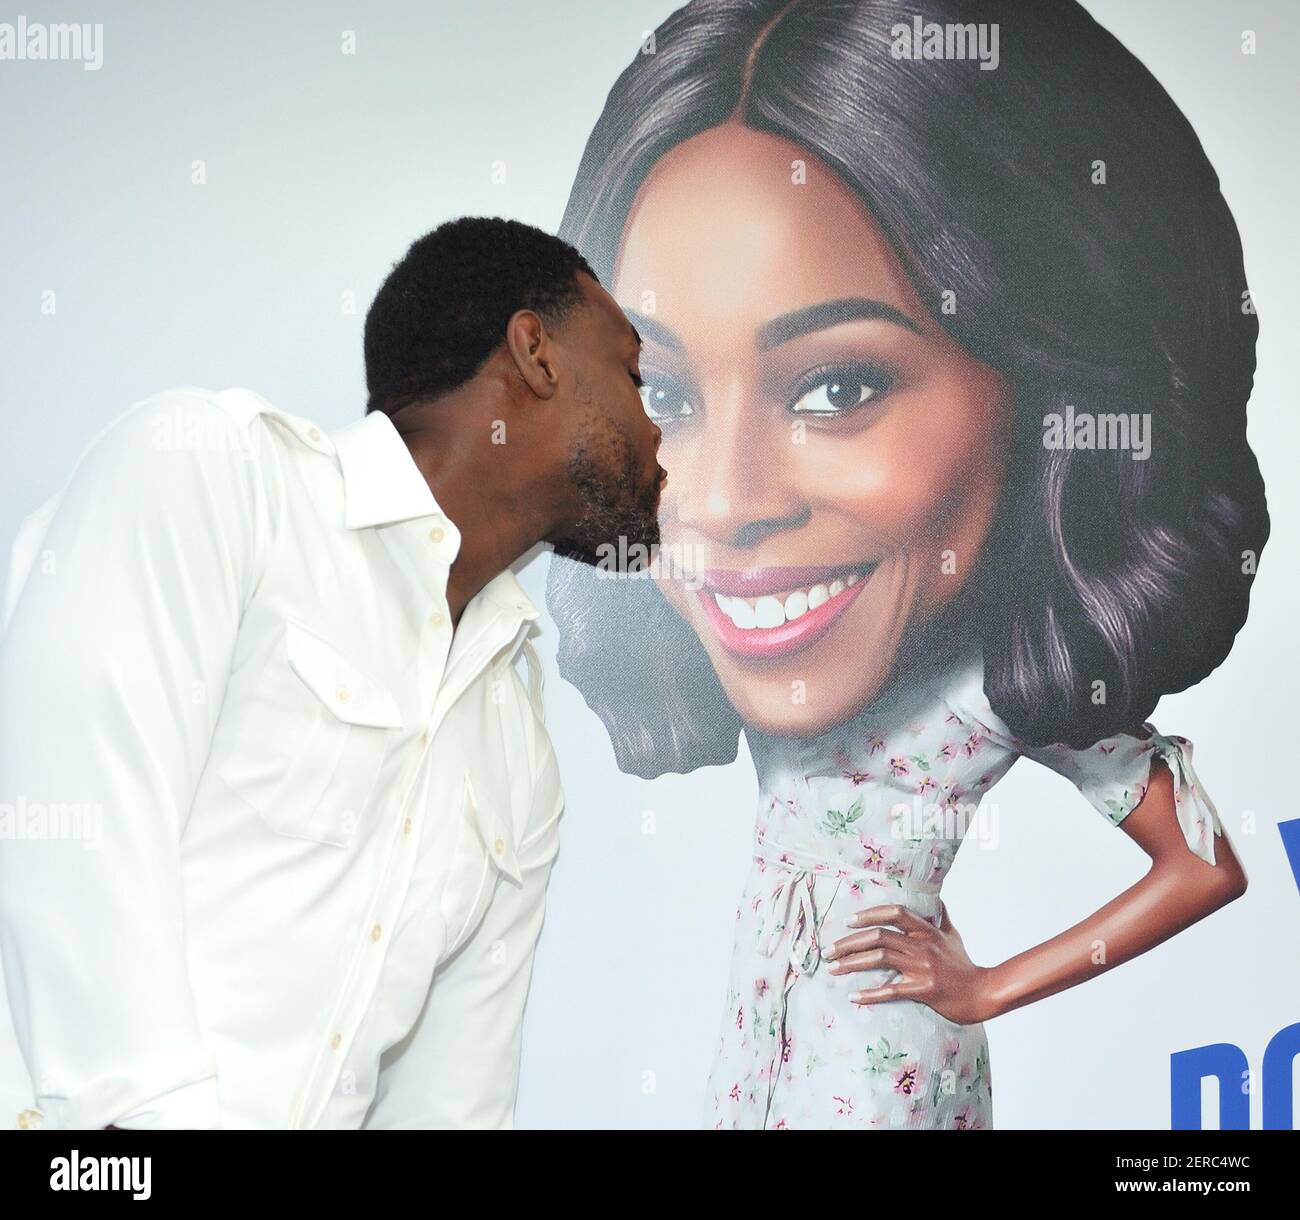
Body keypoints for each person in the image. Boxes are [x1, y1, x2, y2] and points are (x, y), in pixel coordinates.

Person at [544, 0, 1265, 1128]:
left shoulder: (998, 686)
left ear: (1046, 388)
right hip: (760, 1032)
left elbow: (1205, 866)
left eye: (837, 387)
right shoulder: (784, 645)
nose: (725, 503)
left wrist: (985, 987)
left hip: (882, 1064)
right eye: (666, 397)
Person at [0, 215, 665, 1129]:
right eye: (634, 376)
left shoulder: (517, 736)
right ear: (535, 354)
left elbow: (450, 1104)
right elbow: (68, 841)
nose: (658, 432)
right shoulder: (215, 480)